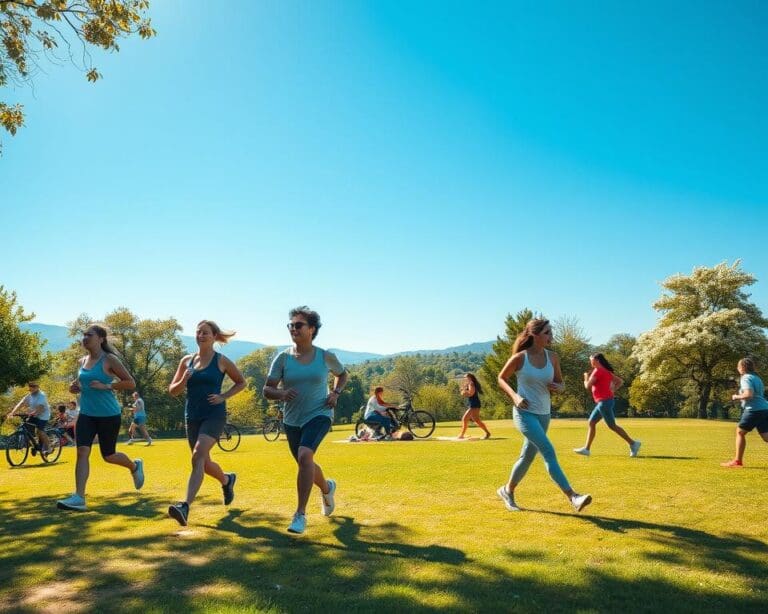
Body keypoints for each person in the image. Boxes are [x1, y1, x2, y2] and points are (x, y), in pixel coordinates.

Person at [263, 306, 347, 535]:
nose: (293, 328)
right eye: (290, 325)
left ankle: (300, 514)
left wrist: (335, 393)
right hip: (292, 419)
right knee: (305, 462)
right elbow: (267, 390)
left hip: (319, 413)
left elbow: (343, 374)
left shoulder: (324, 356)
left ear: (311, 329)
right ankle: (327, 487)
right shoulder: (282, 358)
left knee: (304, 455)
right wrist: (281, 394)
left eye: (298, 325)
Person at [496, 318, 592, 513]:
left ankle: (507, 490)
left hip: (544, 414)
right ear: (534, 335)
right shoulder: (520, 358)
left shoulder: (553, 357)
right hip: (524, 413)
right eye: (547, 332)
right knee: (548, 451)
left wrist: (559, 387)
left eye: (551, 332)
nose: (551, 336)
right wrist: (515, 396)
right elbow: (501, 378)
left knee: (527, 457)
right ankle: (573, 496)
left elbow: (561, 384)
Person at [167, 320, 246, 526]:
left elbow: (241, 382)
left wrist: (224, 396)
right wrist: (184, 379)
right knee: (203, 462)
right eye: (198, 332)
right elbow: (173, 391)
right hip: (191, 416)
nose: (200, 335)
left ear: (214, 337)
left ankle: (184, 506)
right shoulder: (186, 361)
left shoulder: (221, 361)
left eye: (205, 333)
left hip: (214, 415)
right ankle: (227, 480)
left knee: (197, 454)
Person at [57, 325, 143, 512]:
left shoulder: (109, 359)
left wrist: (108, 387)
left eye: (90, 335)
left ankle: (134, 466)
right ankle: (79, 497)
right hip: (86, 414)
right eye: (84, 335)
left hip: (108, 415)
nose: (85, 337)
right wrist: (75, 388)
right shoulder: (82, 361)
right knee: (82, 452)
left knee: (109, 455)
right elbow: (82, 384)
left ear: (101, 339)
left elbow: (130, 383)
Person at [573, 353, 641, 457]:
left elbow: (587, 386)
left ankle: (633, 443)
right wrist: (612, 390)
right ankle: (586, 449)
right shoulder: (606, 371)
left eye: (591, 360)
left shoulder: (598, 371)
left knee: (612, 426)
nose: (590, 362)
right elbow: (620, 381)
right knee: (592, 422)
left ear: (597, 360)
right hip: (604, 401)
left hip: (604, 402)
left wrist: (585, 377)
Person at [721, 357, 768, 468]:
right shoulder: (757, 378)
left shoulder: (746, 378)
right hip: (764, 409)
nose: (737, 368)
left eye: (738, 366)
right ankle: (737, 461)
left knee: (740, 432)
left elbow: (749, 394)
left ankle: (737, 461)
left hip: (754, 410)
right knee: (766, 437)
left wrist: (736, 396)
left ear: (742, 367)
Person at [7, 382, 52, 454]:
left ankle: (49, 448)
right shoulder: (29, 395)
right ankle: (35, 444)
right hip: (33, 414)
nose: (31, 391)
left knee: (40, 430)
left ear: (37, 388)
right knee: (26, 428)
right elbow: (21, 403)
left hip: (43, 415)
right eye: (30, 390)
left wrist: (34, 413)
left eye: (32, 389)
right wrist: (12, 412)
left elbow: (41, 407)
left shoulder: (42, 395)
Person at [457, 373, 491, 439]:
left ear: (470, 378)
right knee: (476, 420)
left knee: (465, 418)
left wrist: (464, 393)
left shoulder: (471, 383)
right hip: (474, 403)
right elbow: (469, 393)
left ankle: (462, 435)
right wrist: (464, 391)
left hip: (474, 404)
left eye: (465, 378)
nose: (464, 379)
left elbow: (471, 393)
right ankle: (487, 433)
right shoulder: (470, 384)